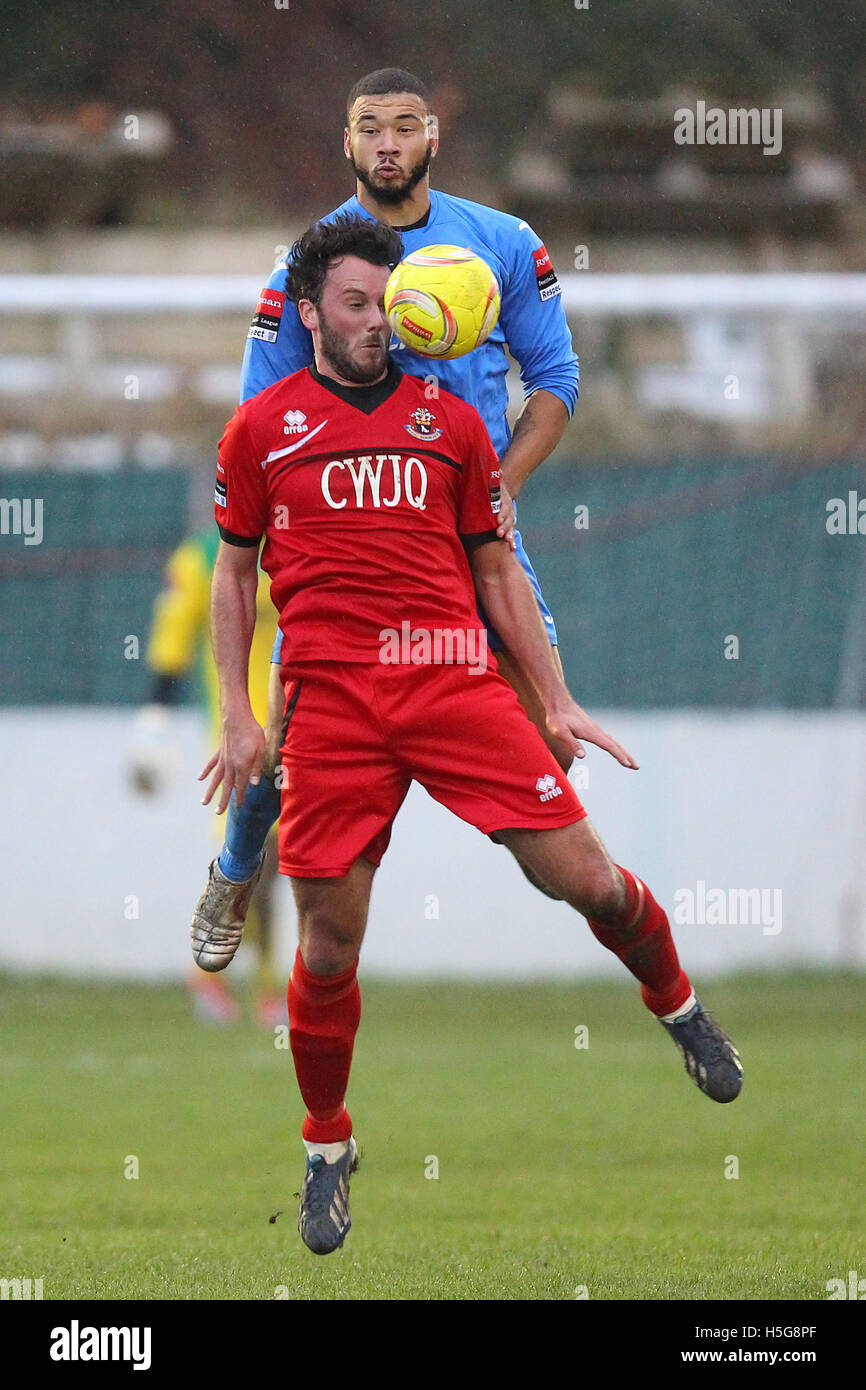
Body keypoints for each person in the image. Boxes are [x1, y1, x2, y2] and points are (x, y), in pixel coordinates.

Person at [199, 215, 742, 1257]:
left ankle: (675, 1005)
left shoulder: (449, 424)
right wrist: (239, 712)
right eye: (354, 304)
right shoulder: (260, 429)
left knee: (585, 880)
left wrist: (557, 695)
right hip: (334, 705)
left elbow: (495, 567)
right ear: (309, 313)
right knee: (327, 942)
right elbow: (231, 571)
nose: (375, 321)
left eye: (385, 300)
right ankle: (326, 1147)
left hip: (452, 680)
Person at [191, 65, 580, 952]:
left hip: (469, 538)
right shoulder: (312, 261)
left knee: (551, 746)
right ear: (349, 142)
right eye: (372, 128)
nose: (389, 144)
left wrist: (502, 485)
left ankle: (567, 871)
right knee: (281, 745)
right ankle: (236, 868)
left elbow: (555, 379)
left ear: (433, 138)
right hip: (348, 538)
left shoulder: (503, 241)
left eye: (407, 127)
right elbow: (261, 414)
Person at [129, 528, 284, 1027]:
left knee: (281, 865)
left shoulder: (301, 540)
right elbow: (170, 642)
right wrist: (154, 724)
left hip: (299, 728)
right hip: (236, 736)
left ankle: (236, 978)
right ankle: (258, 986)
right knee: (262, 858)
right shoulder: (201, 558)